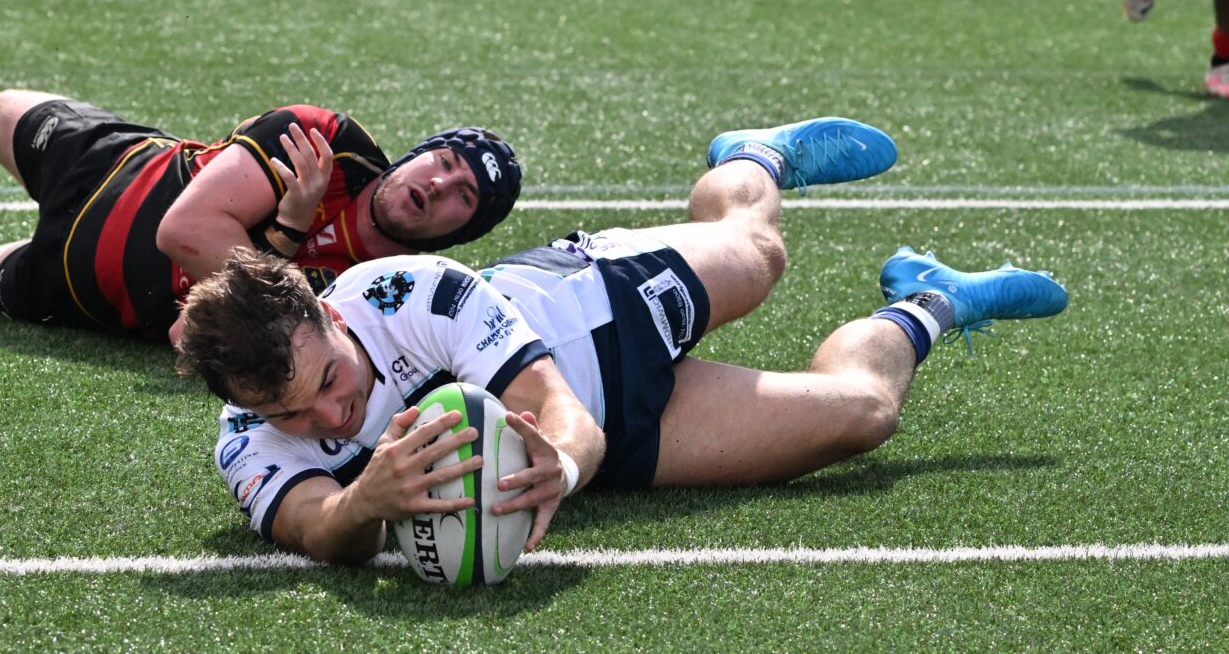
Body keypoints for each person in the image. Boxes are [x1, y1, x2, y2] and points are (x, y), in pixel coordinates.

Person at [178, 118, 1067, 560]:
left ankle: (751, 158)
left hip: (598, 312)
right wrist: (367, 500)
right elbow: (312, 523)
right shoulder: (245, 440)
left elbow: (564, 417)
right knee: (867, 414)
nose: (335, 415)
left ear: (328, 314)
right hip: (635, 432)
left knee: (760, 257)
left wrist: (555, 473)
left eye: (331, 379)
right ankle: (931, 300)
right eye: (298, 414)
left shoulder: (407, 291)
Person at [0, 91, 522, 343]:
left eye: (463, 197)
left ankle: (43, 236)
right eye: (444, 161)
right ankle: (47, 201)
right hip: (120, 163)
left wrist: (287, 232)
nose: (440, 182)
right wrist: (264, 271)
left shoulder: (386, 293)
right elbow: (183, 227)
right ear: (419, 152)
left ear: (458, 233)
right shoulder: (330, 141)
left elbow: (188, 330)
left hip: (82, 286)